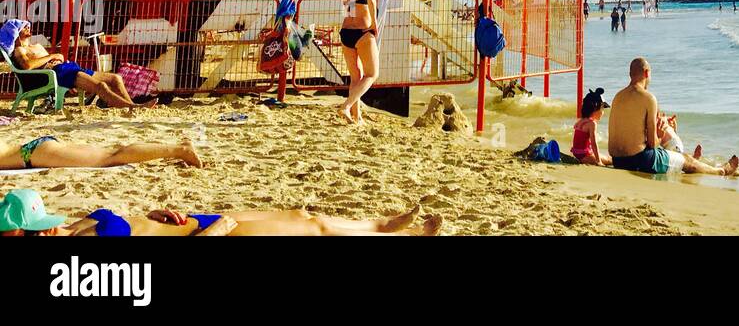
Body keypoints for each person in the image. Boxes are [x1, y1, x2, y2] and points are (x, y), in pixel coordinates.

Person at [0, 189, 439, 237]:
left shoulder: (71, 230)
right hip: (212, 235)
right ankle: (395, 233)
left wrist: (153, 211)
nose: (49, 230)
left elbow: (126, 218)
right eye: (37, 233)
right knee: (312, 229)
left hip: (197, 217)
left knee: (298, 213)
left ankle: (380, 225)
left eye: (45, 224)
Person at [607, 57, 738, 176]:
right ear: (647, 73)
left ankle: (688, 160)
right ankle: (721, 171)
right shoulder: (649, 98)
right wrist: (659, 134)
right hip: (641, 162)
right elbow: (652, 145)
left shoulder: (618, 97)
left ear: (630, 74)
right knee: (687, 161)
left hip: (618, 161)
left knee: (680, 156)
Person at [1, 20, 140, 110]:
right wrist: (53, 56)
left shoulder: (36, 45)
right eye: (24, 26)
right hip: (57, 73)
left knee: (115, 78)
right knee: (101, 86)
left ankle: (133, 106)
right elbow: (27, 66)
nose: (28, 27)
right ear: (16, 33)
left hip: (66, 68)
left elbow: (48, 60)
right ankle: (132, 107)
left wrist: (58, 58)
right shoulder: (20, 50)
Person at [338, 0, 379, 124]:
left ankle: (357, 117)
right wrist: (374, 25)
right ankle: (346, 106)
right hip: (363, 31)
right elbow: (371, 3)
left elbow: (349, 10)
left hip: (346, 32)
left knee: (356, 77)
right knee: (371, 74)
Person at [0, 137, 202, 170]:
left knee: (111, 157)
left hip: (34, 154)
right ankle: (178, 147)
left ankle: (179, 150)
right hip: (35, 149)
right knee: (111, 154)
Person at [572, 88, 611, 166]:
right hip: (585, 156)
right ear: (596, 108)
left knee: (607, 157)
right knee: (609, 160)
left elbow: (577, 141)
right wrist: (598, 161)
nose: (603, 112)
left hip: (577, 154)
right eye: (602, 109)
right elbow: (594, 143)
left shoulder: (580, 121)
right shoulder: (592, 124)